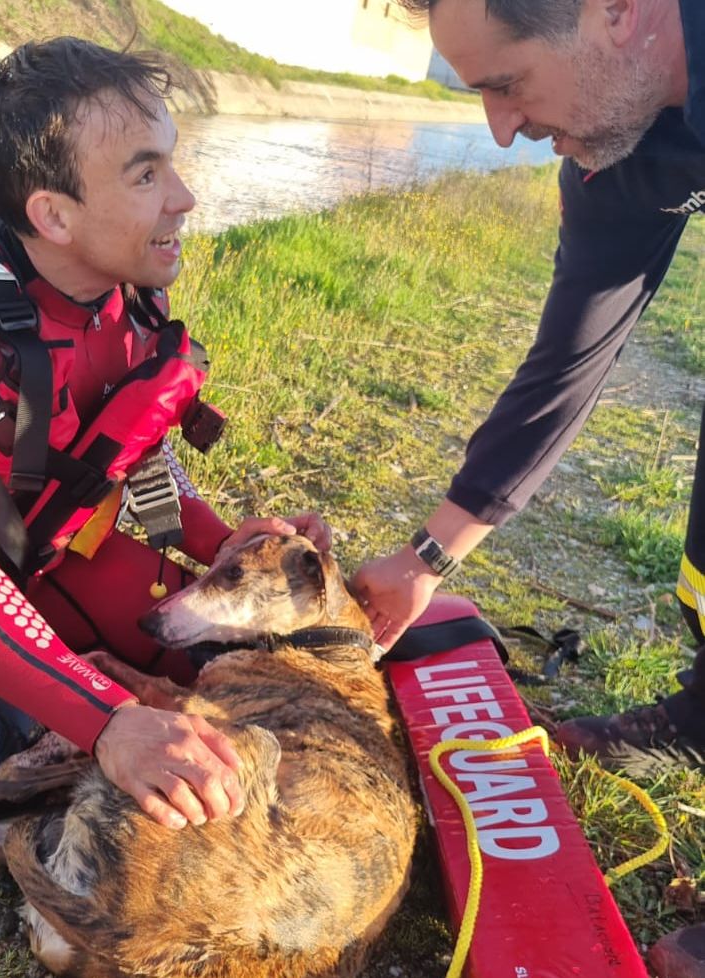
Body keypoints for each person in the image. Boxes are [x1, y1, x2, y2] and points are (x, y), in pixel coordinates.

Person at [0, 37, 329, 830]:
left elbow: (131, 453)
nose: (184, 197)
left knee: (217, 662)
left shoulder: (124, 288)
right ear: (53, 214)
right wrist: (111, 722)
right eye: (147, 174)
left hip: (38, 545)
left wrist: (221, 546)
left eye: (173, 164)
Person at [353, 1, 704, 972]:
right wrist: (428, 559)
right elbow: (570, 358)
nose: (502, 130)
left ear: (620, 14)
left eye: (506, 85)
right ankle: (701, 713)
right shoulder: (613, 142)